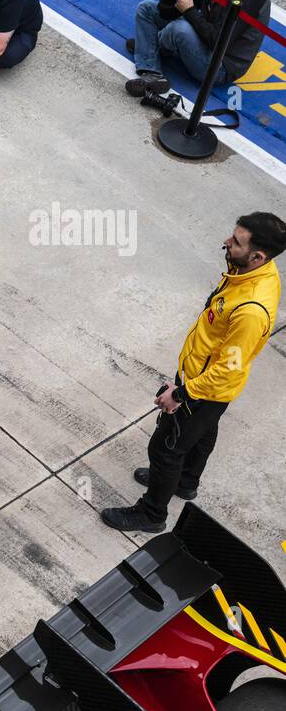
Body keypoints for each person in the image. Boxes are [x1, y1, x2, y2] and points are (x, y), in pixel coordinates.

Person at [102, 213, 283, 533]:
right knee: (201, 435)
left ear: (258, 256)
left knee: (165, 449)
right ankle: (185, 483)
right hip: (204, 382)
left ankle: (152, 514)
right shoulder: (252, 274)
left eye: (237, 242)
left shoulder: (251, 310)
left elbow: (228, 369)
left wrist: (181, 393)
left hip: (202, 388)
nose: (227, 242)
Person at [126, 0, 272, 98]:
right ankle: (151, 70)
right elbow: (166, 13)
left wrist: (189, 10)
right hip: (206, 40)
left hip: (221, 66)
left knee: (178, 29)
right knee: (146, 8)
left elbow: (219, 41)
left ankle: (151, 46)